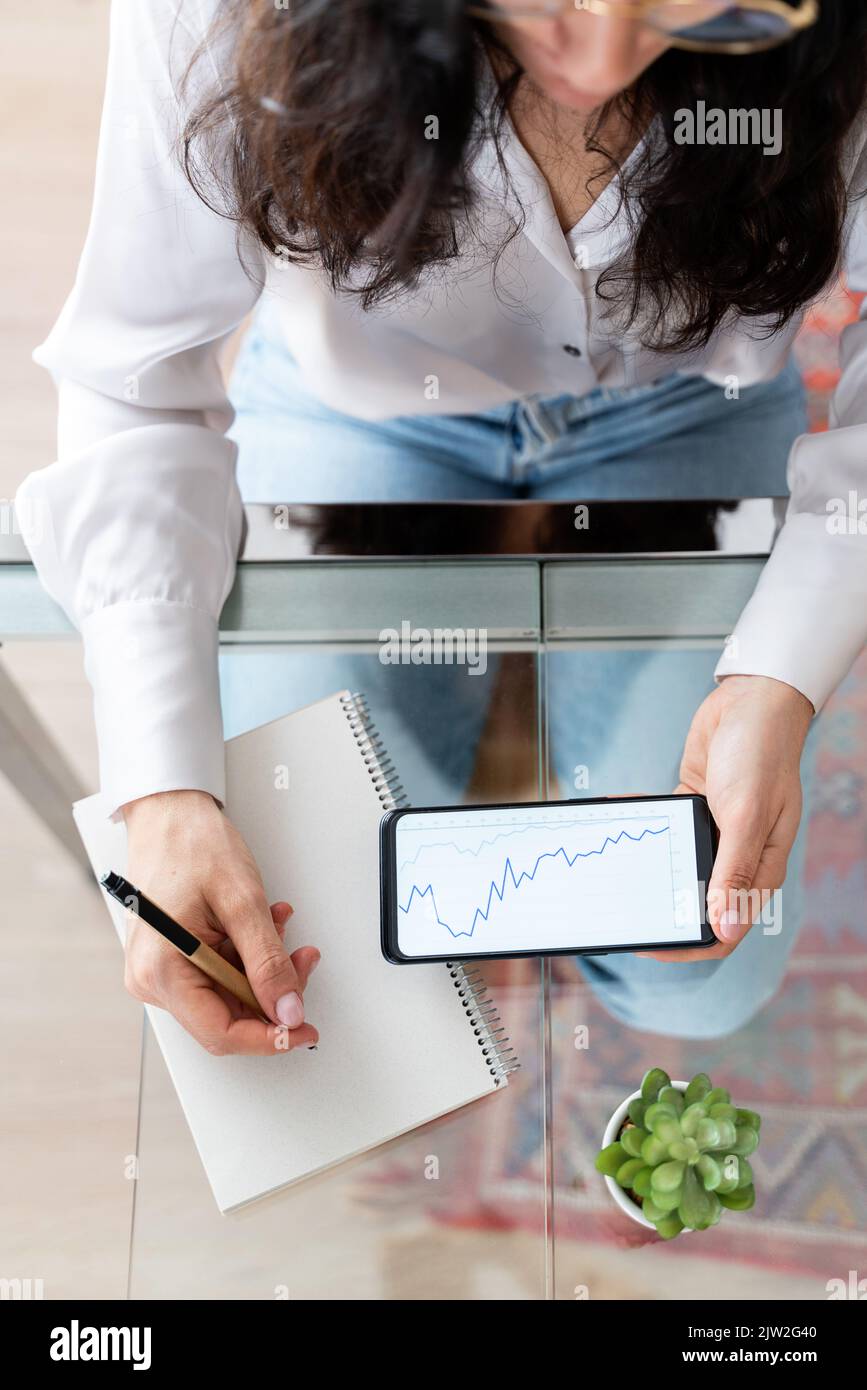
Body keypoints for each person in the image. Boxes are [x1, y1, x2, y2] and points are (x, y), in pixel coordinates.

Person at [17, 0, 867, 1054]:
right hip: (362, 399)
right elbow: (132, 388)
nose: (601, 63)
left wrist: (781, 675)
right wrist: (163, 788)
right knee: (317, 942)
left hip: (695, 399)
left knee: (692, 969)